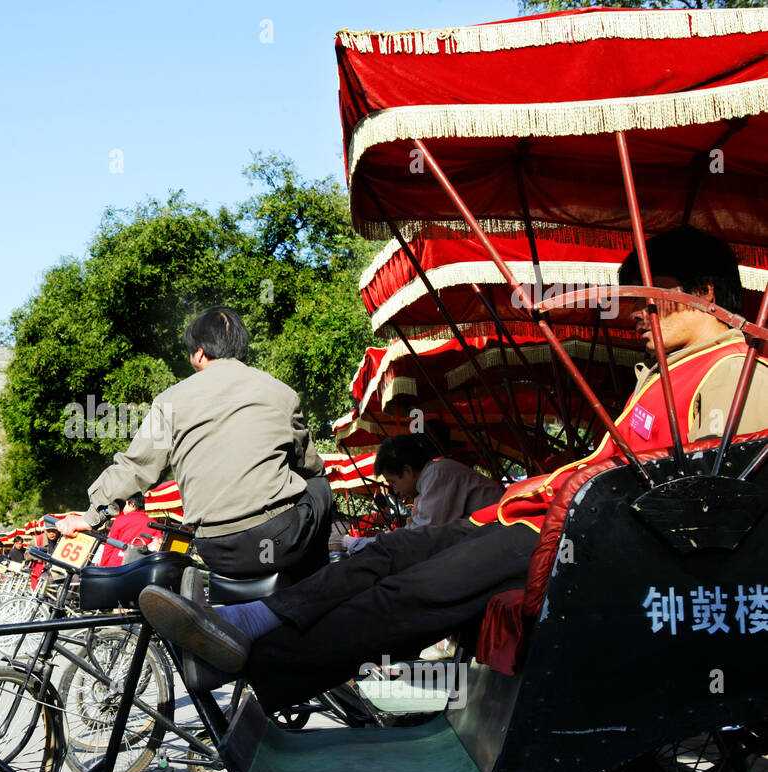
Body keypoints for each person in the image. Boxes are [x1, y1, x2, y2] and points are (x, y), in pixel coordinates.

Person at [138, 227, 768, 711]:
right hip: (537, 518)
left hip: (587, 539)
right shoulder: (666, 374)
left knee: (409, 593)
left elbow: (707, 495)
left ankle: (257, 664)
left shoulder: (736, 376)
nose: (635, 317)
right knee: (389, 555)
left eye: (650, 300)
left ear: (704, 294)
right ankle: (247, 622)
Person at [56, 306, 332, 581]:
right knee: (319, 485)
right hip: (275, 541)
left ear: (199, 352)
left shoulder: (169, 402)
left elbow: (135, 468)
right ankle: (316, 589)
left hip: (216, 550)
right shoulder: (280, 392)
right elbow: (308, 465)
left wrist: (92, 516)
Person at [342, 434, 504, 554]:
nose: (396, 491)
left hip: (498, 541)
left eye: (393, 482)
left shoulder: (438, 474)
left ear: (407, 470)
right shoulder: (429, 481)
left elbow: (423, 533)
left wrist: (375, 542)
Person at [99, 494, 158, 566]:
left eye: (125, 504)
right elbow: (157, 545)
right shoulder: (154, 524)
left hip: (116, 565)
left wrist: (103, 565)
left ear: (132, 504)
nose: (123, 508)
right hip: (140, 566)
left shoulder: (121, 520)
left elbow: (109, 546)